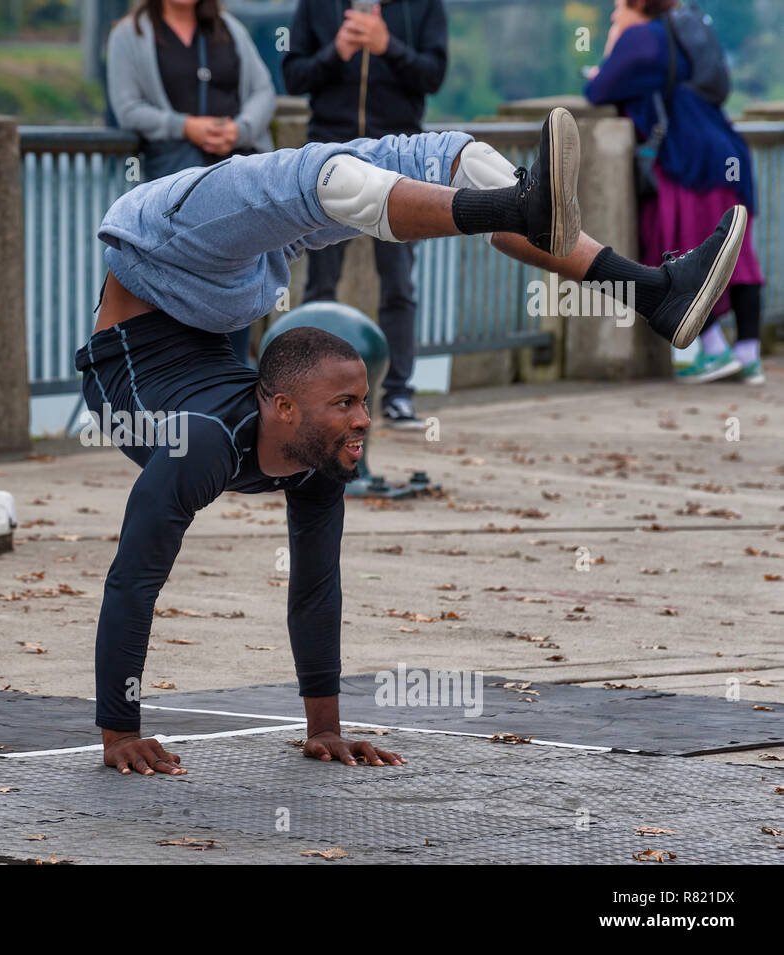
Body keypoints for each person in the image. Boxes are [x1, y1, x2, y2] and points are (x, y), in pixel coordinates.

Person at [77, 108, 745, 775]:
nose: (364, 422)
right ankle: (520, 206)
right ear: (283, 407)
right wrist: (119, 733)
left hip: (214, 291)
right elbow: (133, 580)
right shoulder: (201, 445)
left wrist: (325, 728)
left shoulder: (309, 453)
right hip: (157, 243)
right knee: (314, 178)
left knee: (446, 154)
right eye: (346, 405)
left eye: (363, 403)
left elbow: (314, 586)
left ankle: (654, 292)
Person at [284, 0, 449, 428]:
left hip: (399, 156)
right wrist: (335, 51)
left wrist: (387, 45)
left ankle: (397, 395)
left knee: (397, 282)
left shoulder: (425, 6)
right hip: (329, 156)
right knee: (320, 282)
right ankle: (316, 395)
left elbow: (433, 75)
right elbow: (293, 75)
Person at [585, 0, 765, 385]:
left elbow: (597, 90)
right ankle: (748, 357)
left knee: (682, 254)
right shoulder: (688, 29)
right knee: (739, 258)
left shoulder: (640, 39)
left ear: (638, 5)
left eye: (619, 7)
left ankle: (716, 350)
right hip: (727, 151)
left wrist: (612, 44)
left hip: (687, 161)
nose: (614, 15)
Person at [107, 0, 276, 363]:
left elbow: (264, 92)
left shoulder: (229, 28)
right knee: (179, 281)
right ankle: (178, 390)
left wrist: (240, 129)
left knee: (237, 277)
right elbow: (127, 107)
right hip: (175, 179)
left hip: (235, 172)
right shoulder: (129, 35)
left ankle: (232, 382)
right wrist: (185, 126)